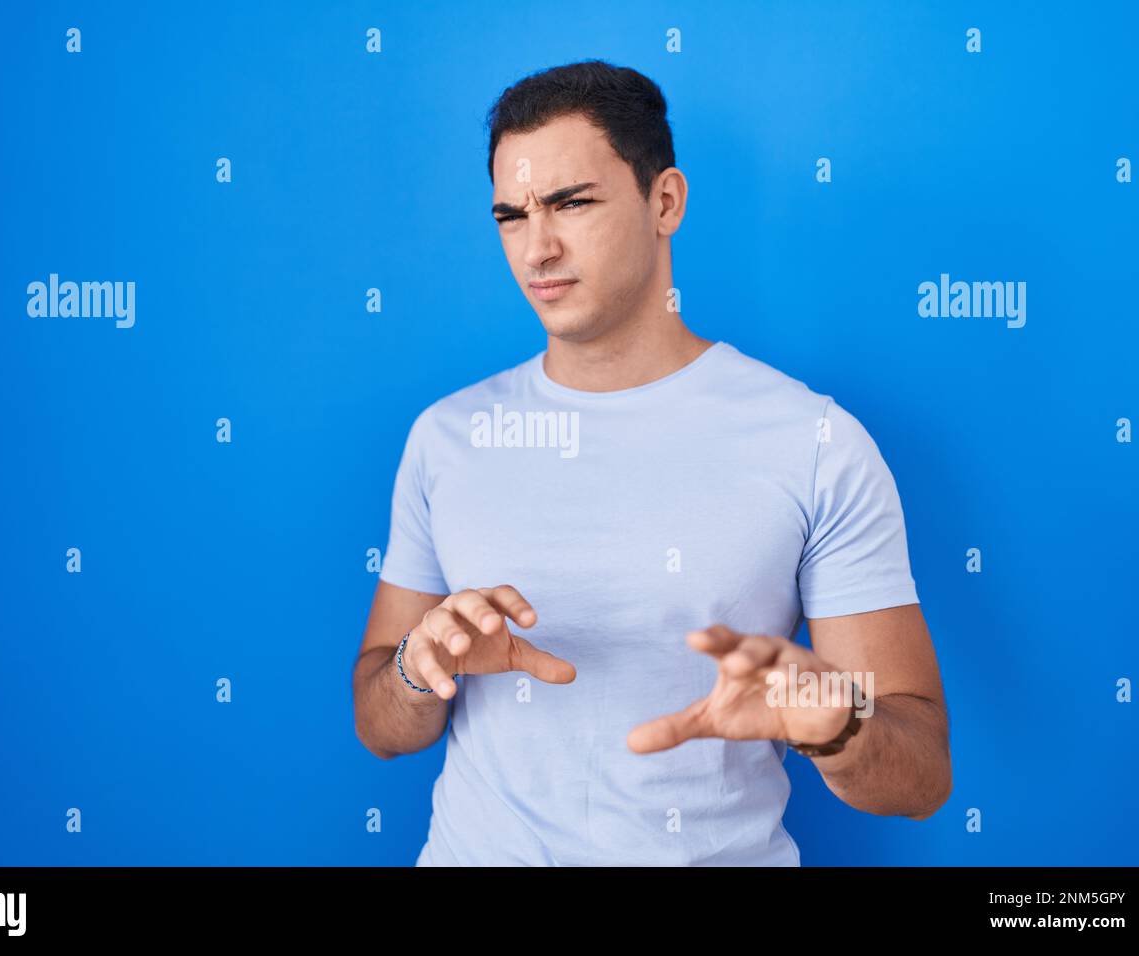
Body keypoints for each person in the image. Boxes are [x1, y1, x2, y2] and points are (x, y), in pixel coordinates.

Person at [351, 59, 951, 866]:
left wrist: (833, 716)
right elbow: (378, 722)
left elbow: (921, 777)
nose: (539, 247)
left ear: (664, 201)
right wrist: (419, 674)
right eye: (511, 215)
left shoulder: (814, 441)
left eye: (572, 203)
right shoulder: (446, 436)